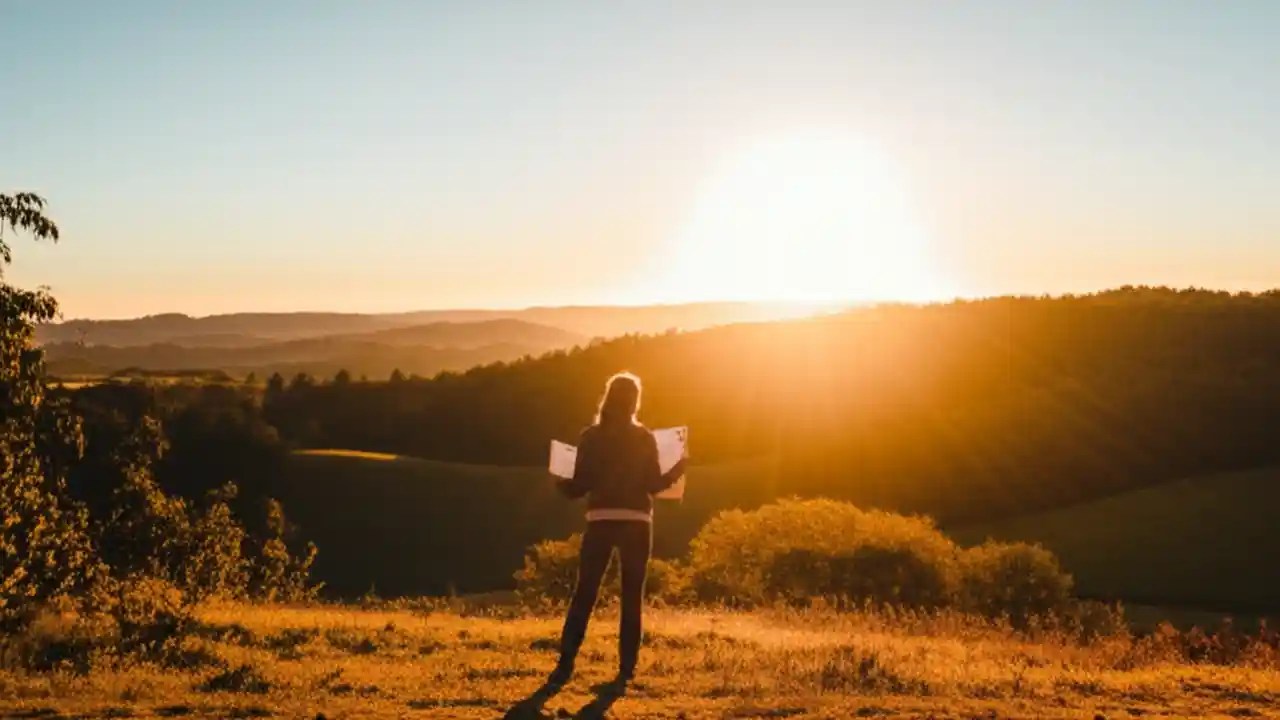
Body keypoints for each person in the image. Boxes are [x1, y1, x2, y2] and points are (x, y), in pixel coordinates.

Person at [548, 371, 686, 689]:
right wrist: (677, 471)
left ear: (607, 398)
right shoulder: (644, 438)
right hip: (637, 520)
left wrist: (559, 483)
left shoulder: (590, 437)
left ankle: (565, 662)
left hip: (600, 519)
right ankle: (626, 669)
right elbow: (653, 485)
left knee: (585, 591)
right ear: (635, 401)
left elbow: (579, 486)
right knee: (631, 595)